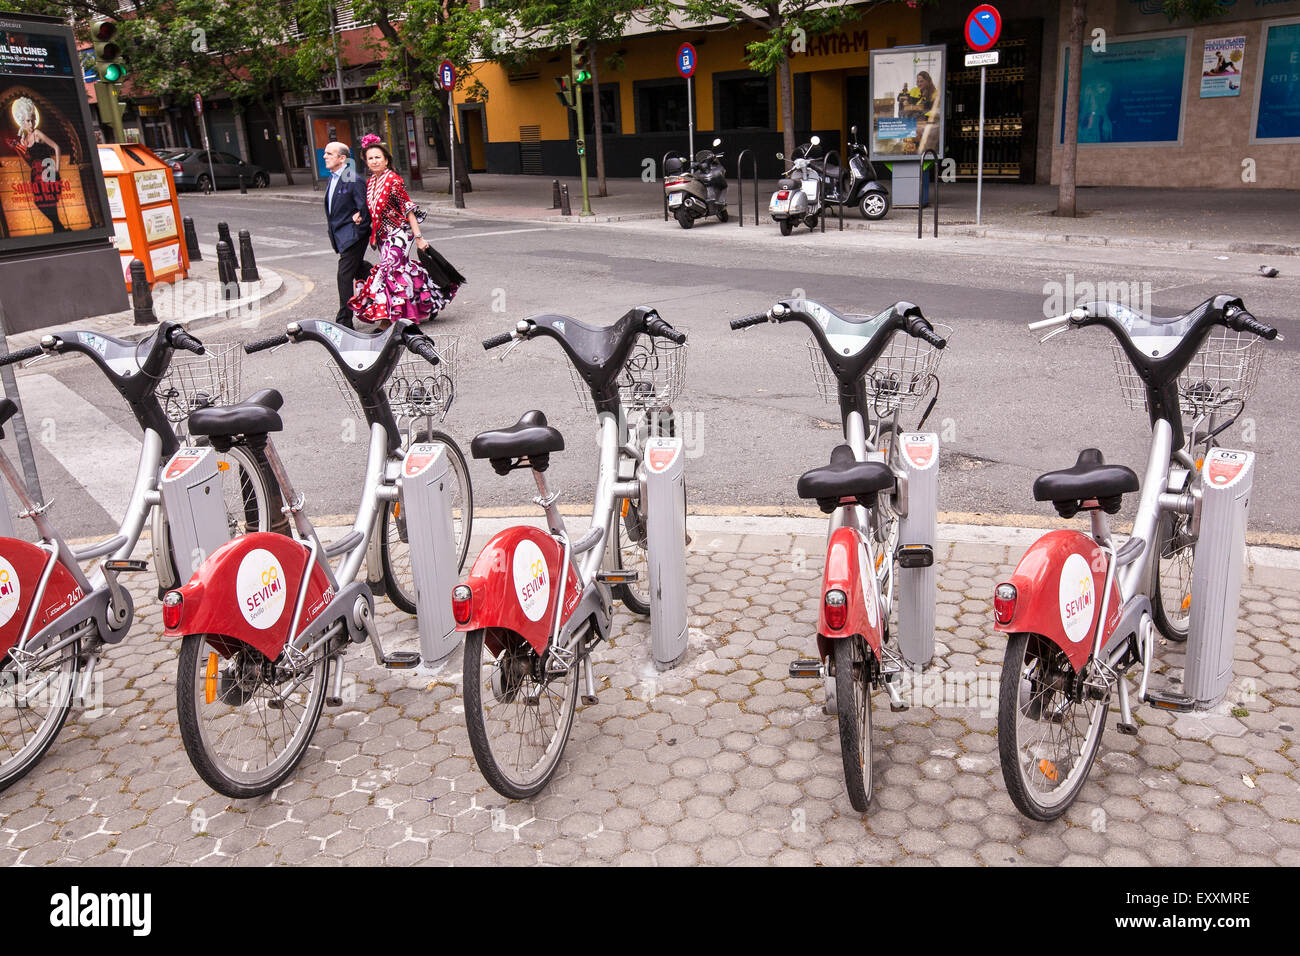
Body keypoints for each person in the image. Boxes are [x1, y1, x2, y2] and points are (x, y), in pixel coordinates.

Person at [348, 134, 456, 328]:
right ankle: (426, 303)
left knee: (388, 270)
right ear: (366, 161)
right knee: (401, 271)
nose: (374, 161)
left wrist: (419, 238)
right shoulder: (371, 182)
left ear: (386, 159)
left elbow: (408, 210)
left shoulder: (394, 180)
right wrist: (360, 215)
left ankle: (388, 319)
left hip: (399, 234)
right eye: (370, 158)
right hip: (382, 236)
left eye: (378, 157)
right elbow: (372, 209)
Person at [322, 141, 370, 328]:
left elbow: (364, 208)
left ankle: (344, 320)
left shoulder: (352, 178)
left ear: (342, 158)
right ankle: (386, 290)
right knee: (361, 270)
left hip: (353, 237)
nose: (324, 156)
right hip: (341, 236)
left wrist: (357, 232)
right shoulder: (332, 178)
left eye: (329, 154)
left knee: (344, 275)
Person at [8, 96, 67, 233]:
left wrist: (57, 169)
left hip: (47, 169)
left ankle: (58, 228)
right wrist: (19, 149)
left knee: (49, 200)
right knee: (41, 201)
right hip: (36, 173)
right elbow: (30, 160)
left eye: (33, 119)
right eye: (28, 120)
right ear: (22, 122)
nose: (31, 123)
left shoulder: (37, 133)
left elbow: (56, 147)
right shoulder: (25, 139)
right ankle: (59, 227)